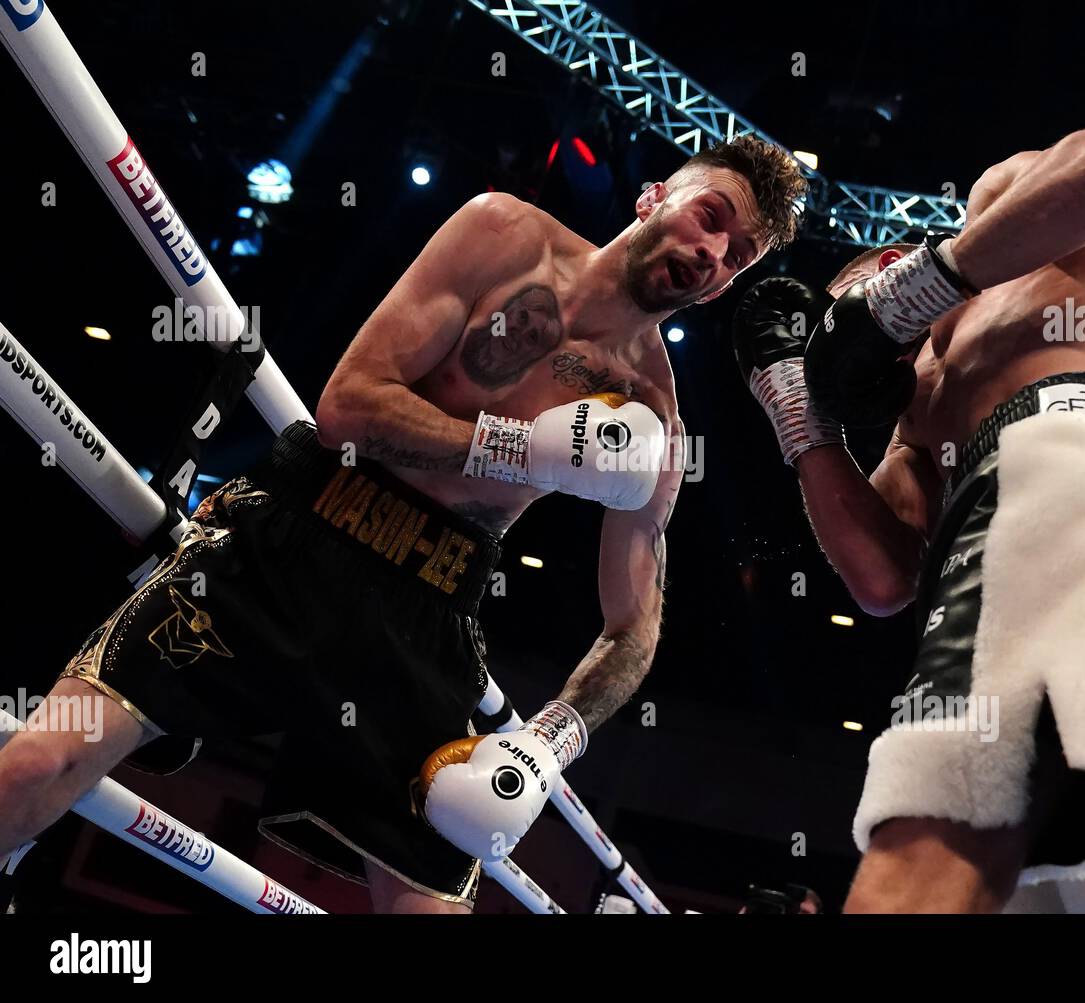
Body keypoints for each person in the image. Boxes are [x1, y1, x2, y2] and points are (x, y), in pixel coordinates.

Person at [0, 135, 806, 913]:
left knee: (433, 907)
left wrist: (547, 741)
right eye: (712, 216)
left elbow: (635, 626)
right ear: (655, 196)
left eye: (737, 257)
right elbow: (348, 406)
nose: (713, 252)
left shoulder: (650, 416)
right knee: (39, 760)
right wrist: (523, 450)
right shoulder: (503, 233)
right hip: (291, 536)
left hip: (423, 614)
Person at [733, 128, 1085, 913]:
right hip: (1044, 532)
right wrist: (804, 420)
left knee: (936, 831)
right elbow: (884, 580)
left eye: (849, 321)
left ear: (883, 275)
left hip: (1066, 465)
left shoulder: (1013, 218)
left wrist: (910, 294)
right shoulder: (917, 419)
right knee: (1059, 884)